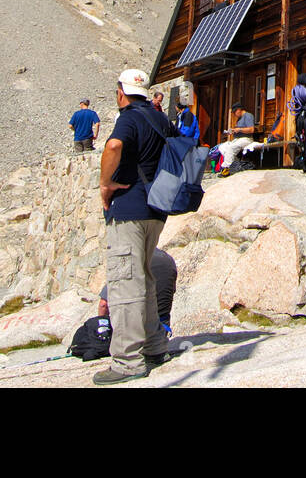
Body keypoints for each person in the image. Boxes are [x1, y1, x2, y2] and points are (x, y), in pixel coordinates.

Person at [94, 67, 183, 385]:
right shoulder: (160, 118)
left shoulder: (128, 117)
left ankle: (128, 360)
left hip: (129, 209)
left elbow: (114, 147)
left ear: (121, 92)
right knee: (143, 278)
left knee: (125, 283)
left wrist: (105, 185)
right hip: (157, 209)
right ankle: (156, 346)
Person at [100, 247, 178, 336]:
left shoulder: (131, 260)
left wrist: (101, 327)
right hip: (161, 331)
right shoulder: (168, 260)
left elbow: (104, 304)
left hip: (134, 335)